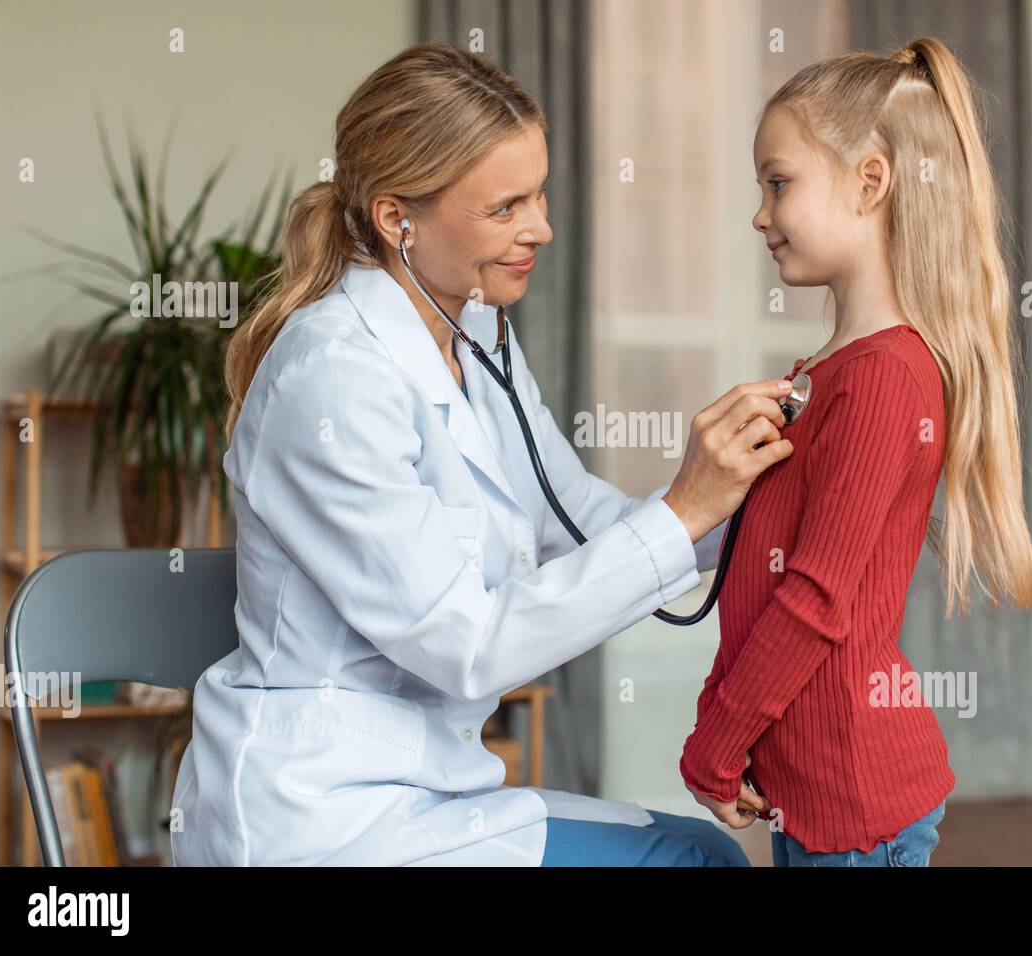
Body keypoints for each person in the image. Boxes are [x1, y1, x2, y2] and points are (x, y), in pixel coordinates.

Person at [169, 42, 793, 866]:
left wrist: (747, 502)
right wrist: (684, 513)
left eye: (538, 193)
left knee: (694, 851)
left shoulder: (477, 329)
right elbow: (468, 647)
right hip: (320, 818)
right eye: (505, 208)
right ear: (399, 218)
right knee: (694, 864)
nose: (541, 227)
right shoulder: (332, 378)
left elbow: (568, 515)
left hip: (436, 787)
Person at [678, 37, 1032, 867]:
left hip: (852, 799)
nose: (761, 214)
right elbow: (760, 581)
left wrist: (716, 742)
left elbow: (812, 600)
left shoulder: (885, 381)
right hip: (815, 794)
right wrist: (719, 728)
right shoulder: (828, 374)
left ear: (870, 183)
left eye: (778, 183)